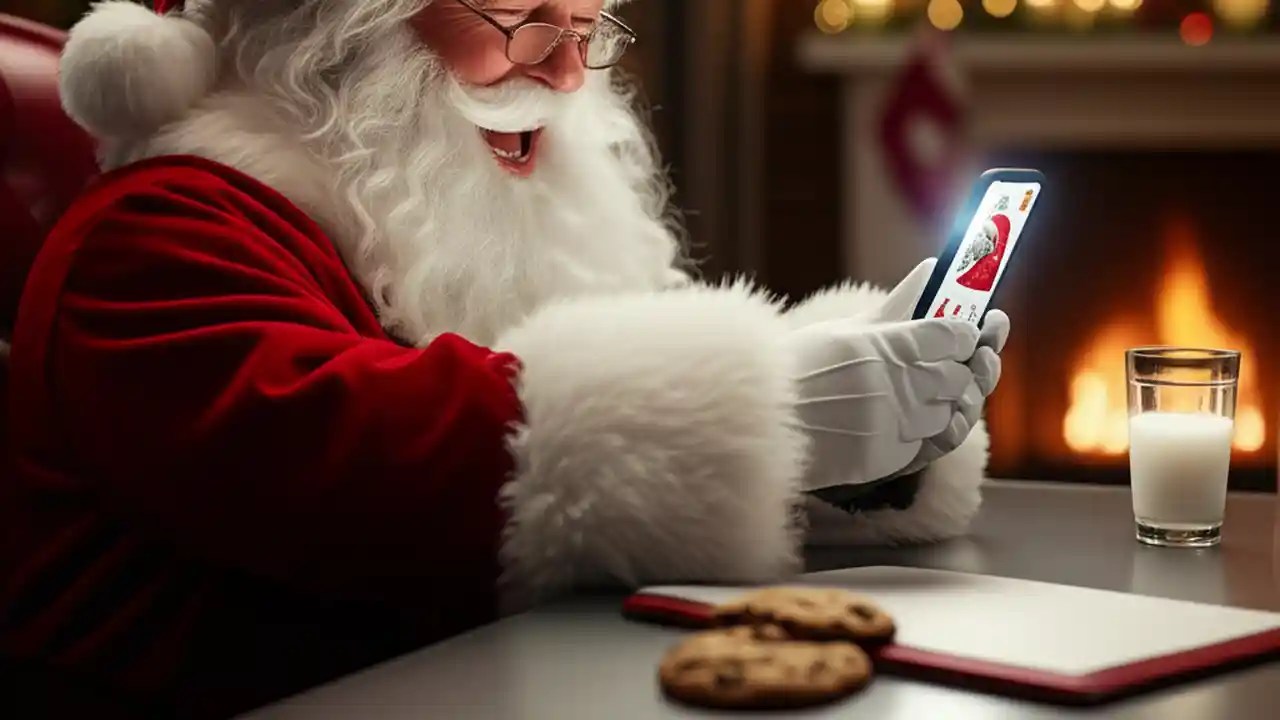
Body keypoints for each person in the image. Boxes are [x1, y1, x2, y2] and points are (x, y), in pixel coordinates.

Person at [0, 0, 1009, 716]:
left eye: (584, 30)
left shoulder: (455, 209)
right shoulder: (153, 237)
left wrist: (849, 443)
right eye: (520, 20)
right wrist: (778, 409)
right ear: (331, 34)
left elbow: (631, 418)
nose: (565, 74)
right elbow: (369, 464)